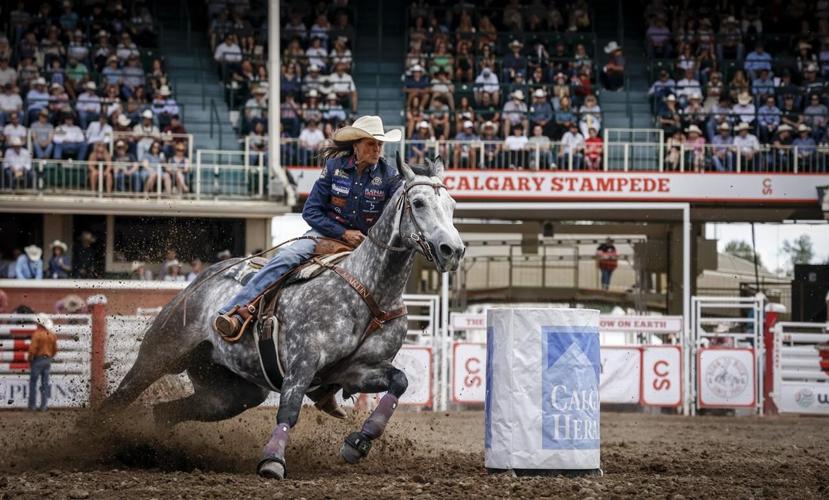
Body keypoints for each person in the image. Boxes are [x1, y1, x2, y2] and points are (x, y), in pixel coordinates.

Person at [213, 115, 403, 338]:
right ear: (356, 146)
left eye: (380, 144)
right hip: (323, 235)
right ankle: (232, 311)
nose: (377, 149)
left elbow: (399, 212)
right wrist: (343, 233)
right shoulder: (334, 168)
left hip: (365, 245)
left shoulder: (390, 177)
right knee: (286, 258)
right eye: (371, 144)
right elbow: (310, 211)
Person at [28, 314, 58, 411]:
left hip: (38, 359)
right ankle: (43, 406)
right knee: (45, 383)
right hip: (47, 359)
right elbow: (55, 349)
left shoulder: (37, 334)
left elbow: (32, 349)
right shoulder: (52, 335)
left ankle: (32, 406)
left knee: (33, 383)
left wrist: (30, 359)